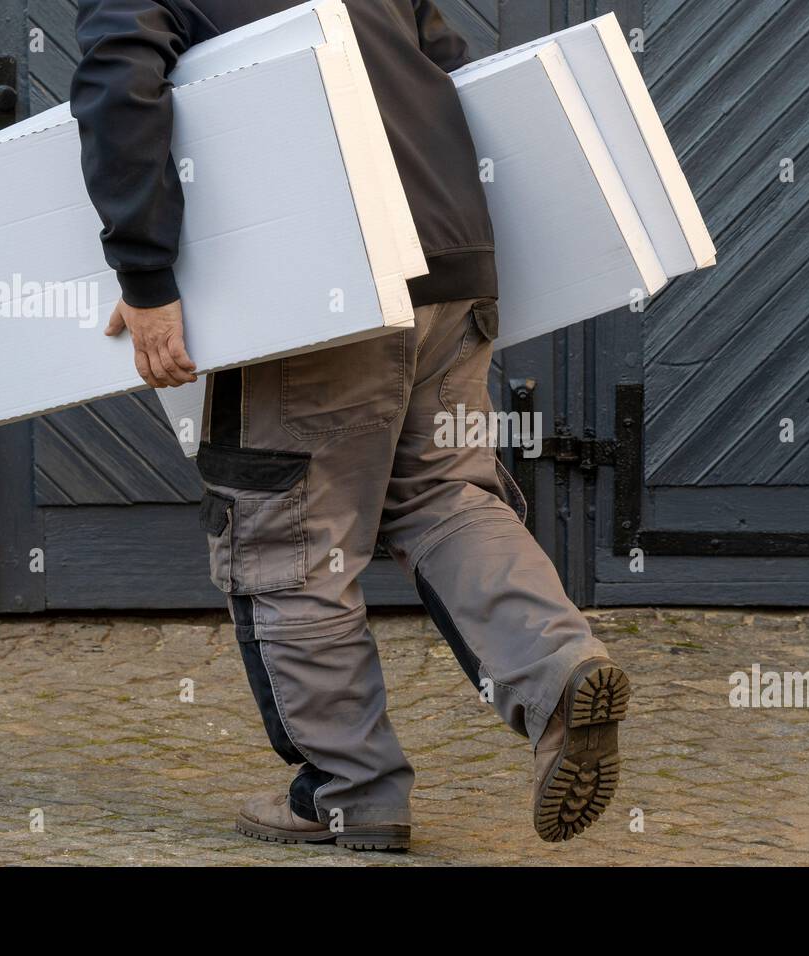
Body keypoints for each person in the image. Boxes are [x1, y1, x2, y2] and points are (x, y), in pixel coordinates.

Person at [71, 0, 630, 851]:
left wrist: (147, 277)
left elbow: (122, 87)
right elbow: (449, 64)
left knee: (291, 539)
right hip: (452, 259)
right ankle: (557, 674)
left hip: (323, 279)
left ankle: (350, 791)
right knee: (448, 498)